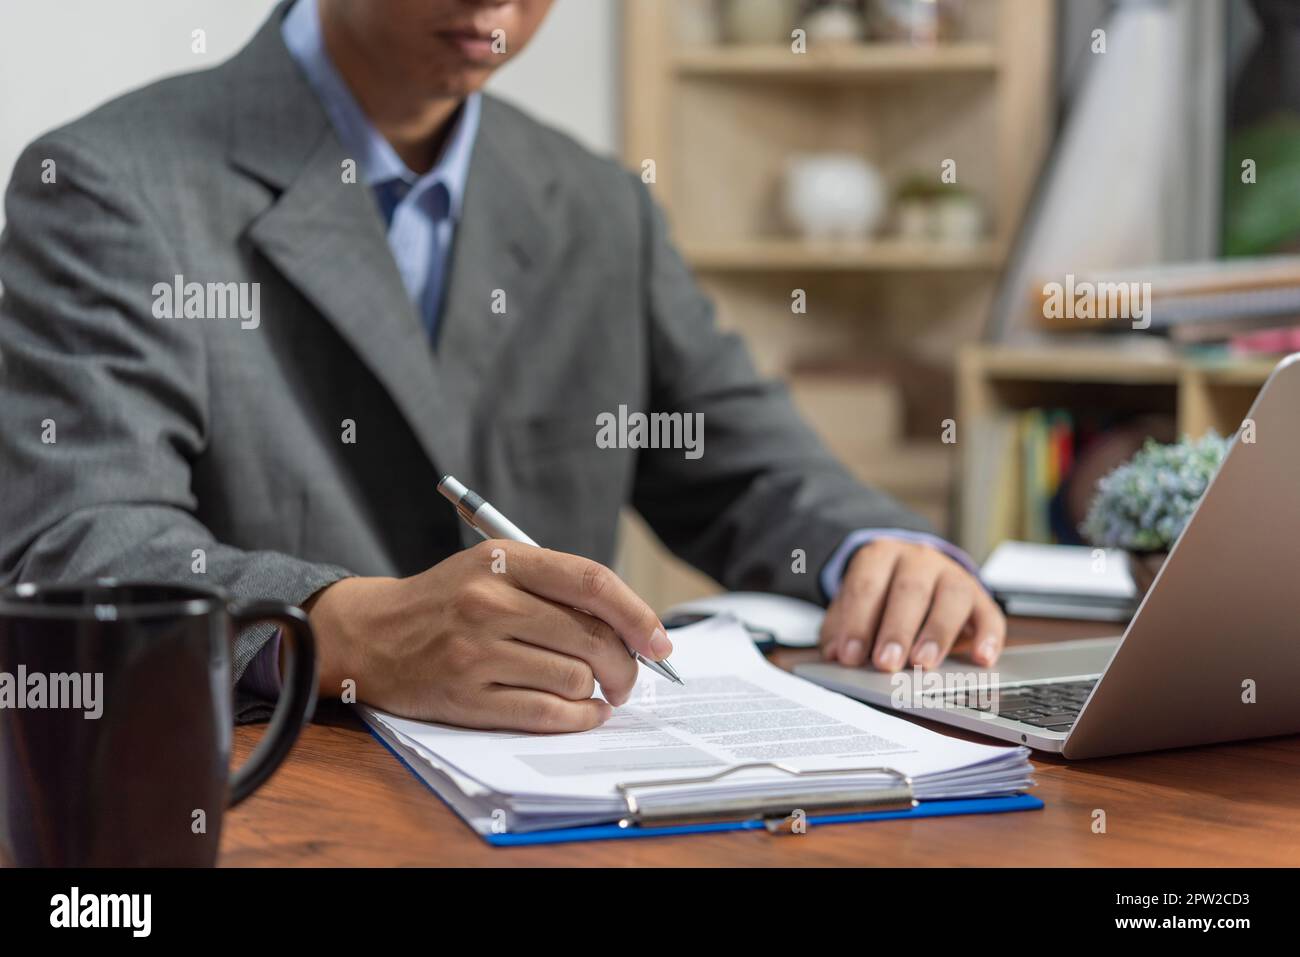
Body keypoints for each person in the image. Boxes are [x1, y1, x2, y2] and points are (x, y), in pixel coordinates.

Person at [0, 0, 1004, 732]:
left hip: (568, 806)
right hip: (268, 801)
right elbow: (72, 540)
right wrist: (343, 632)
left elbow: (740, 455)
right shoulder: (111, 183)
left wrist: (873, 548)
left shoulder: (600, 205)